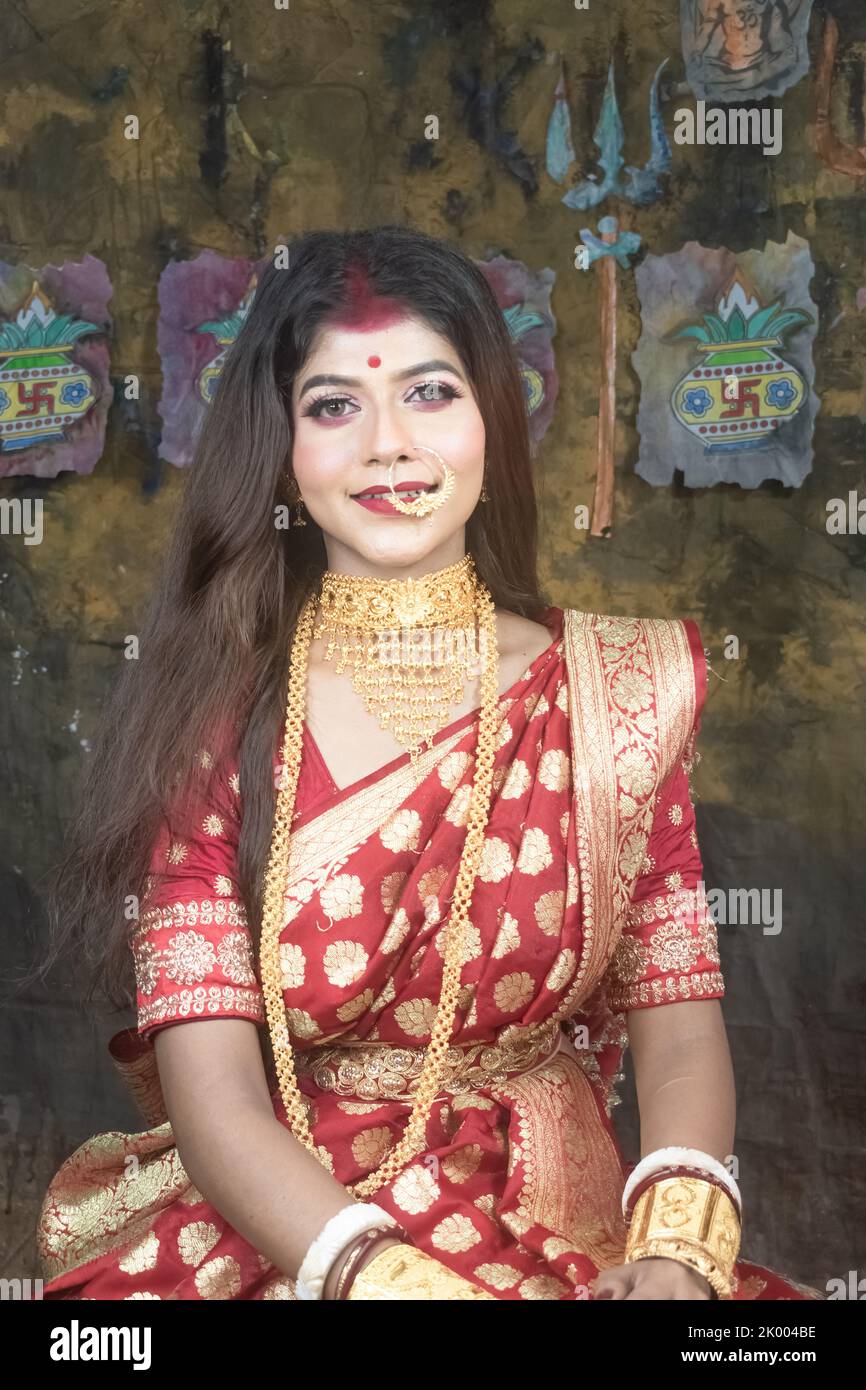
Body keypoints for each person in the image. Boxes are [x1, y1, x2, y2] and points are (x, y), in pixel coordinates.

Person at [33, 226, 821, 1301]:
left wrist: (675, 1249)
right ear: (280, 449)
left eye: (429, 391)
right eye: (332, 406)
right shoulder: (209, 721)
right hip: (292, 1223)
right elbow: (212, 1094)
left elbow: (678, 1021)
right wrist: (385, 1276)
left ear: (494, 414)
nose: (388, 445)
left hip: (560, 1213)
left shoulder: (611, 696)